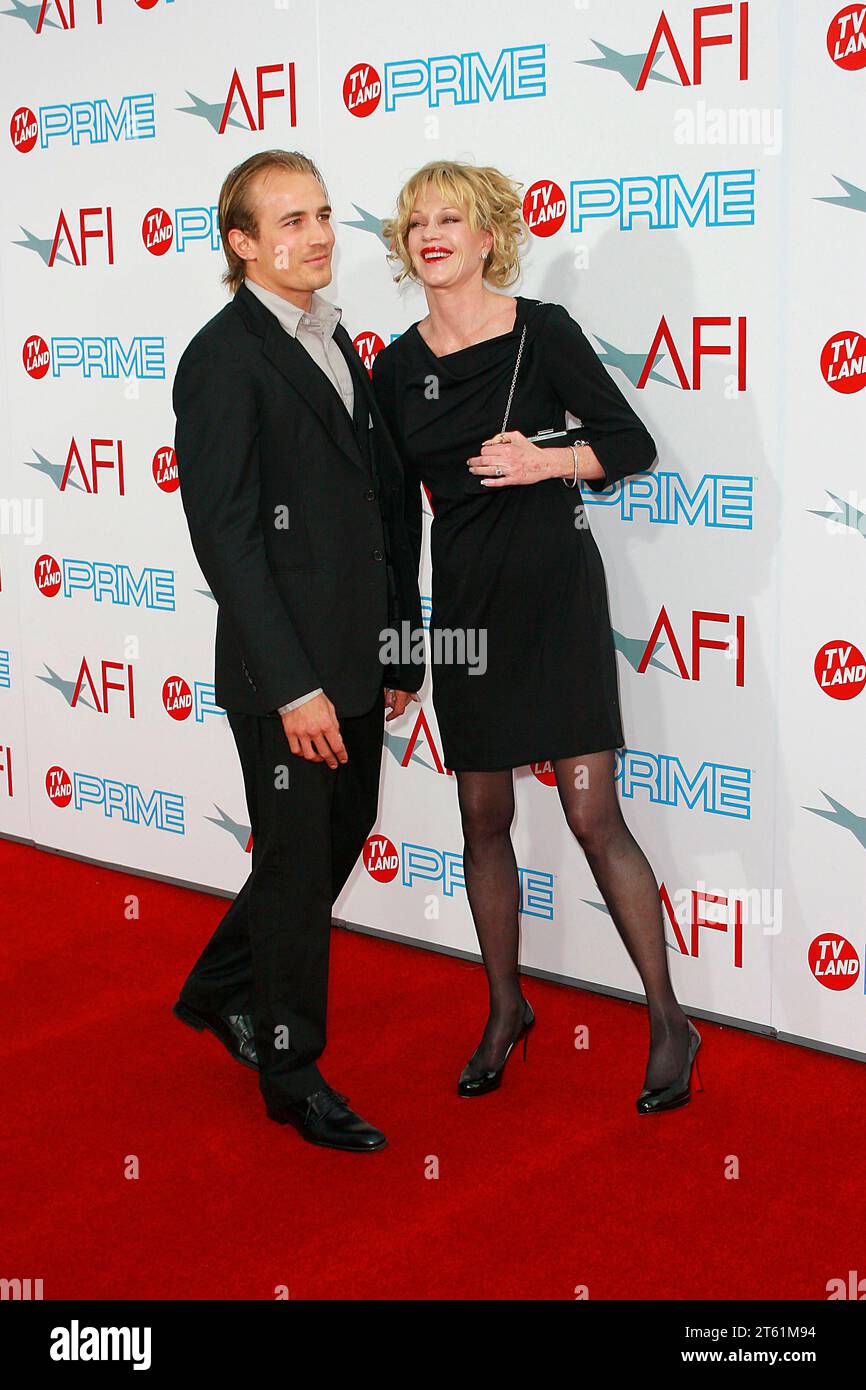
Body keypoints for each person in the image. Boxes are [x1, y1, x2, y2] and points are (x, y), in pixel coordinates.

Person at [372, 160, 702, 1115]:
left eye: (453, 218)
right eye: (417, 220)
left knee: (594, 817)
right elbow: (396, 521)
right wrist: (404, 650)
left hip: (556, 605)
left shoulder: (540, 334)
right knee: (482, 819)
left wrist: (547, 457)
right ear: (406, 244)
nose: (433, 232)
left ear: (488, 237)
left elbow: (630, 444)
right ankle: (506, 1007)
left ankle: (669, 1020)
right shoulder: (394, 369)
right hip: (468, 617)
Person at [171, 149, 424, 1151]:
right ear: (240, 244)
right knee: (292, 869)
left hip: (359, 655)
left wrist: (401, 644)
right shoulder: (222, 357)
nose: (315, 235)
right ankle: (289, 1069)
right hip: (289, 678)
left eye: (320, 215)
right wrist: (294, 688)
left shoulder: (333, 335)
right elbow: (227, 538)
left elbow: (379, 507)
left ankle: (214, 987)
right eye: (287, 222)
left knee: (330, 838)